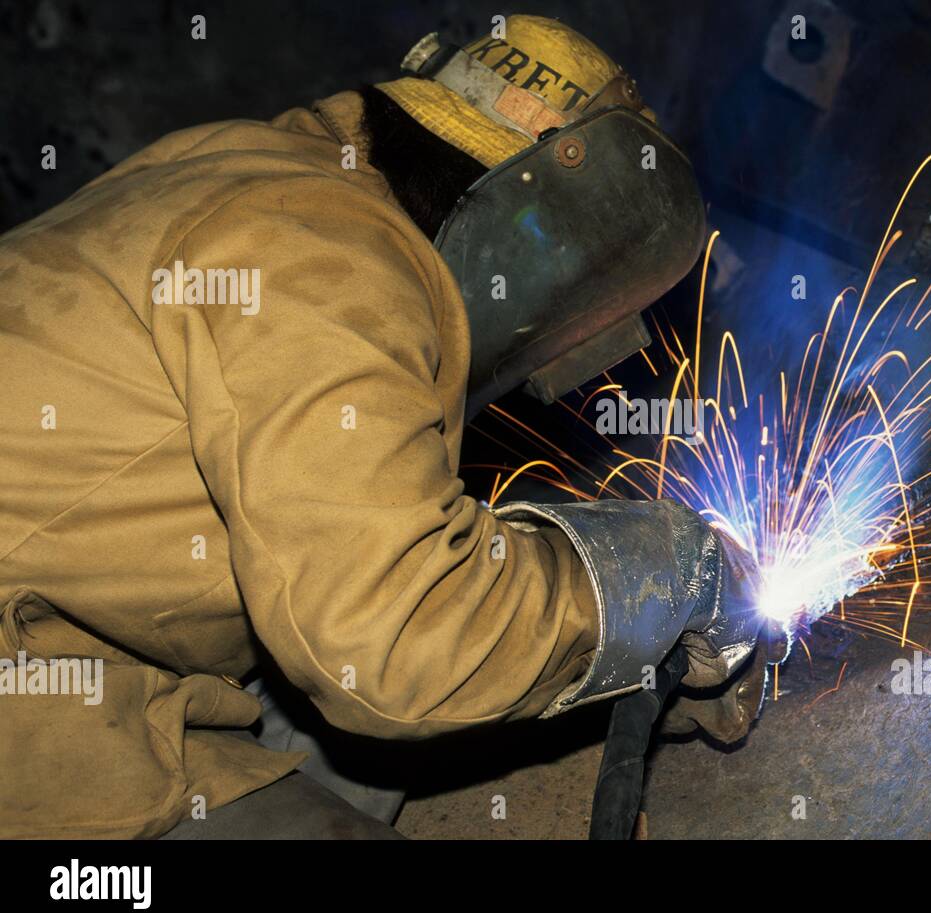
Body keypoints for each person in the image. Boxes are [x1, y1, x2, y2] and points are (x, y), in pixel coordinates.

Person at [0, 15, 780, 839]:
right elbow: (398, 633)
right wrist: (662, 577)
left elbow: (326, 565)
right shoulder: (323, 255)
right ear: (543, 209)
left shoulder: (248, 171)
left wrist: (621, 655)